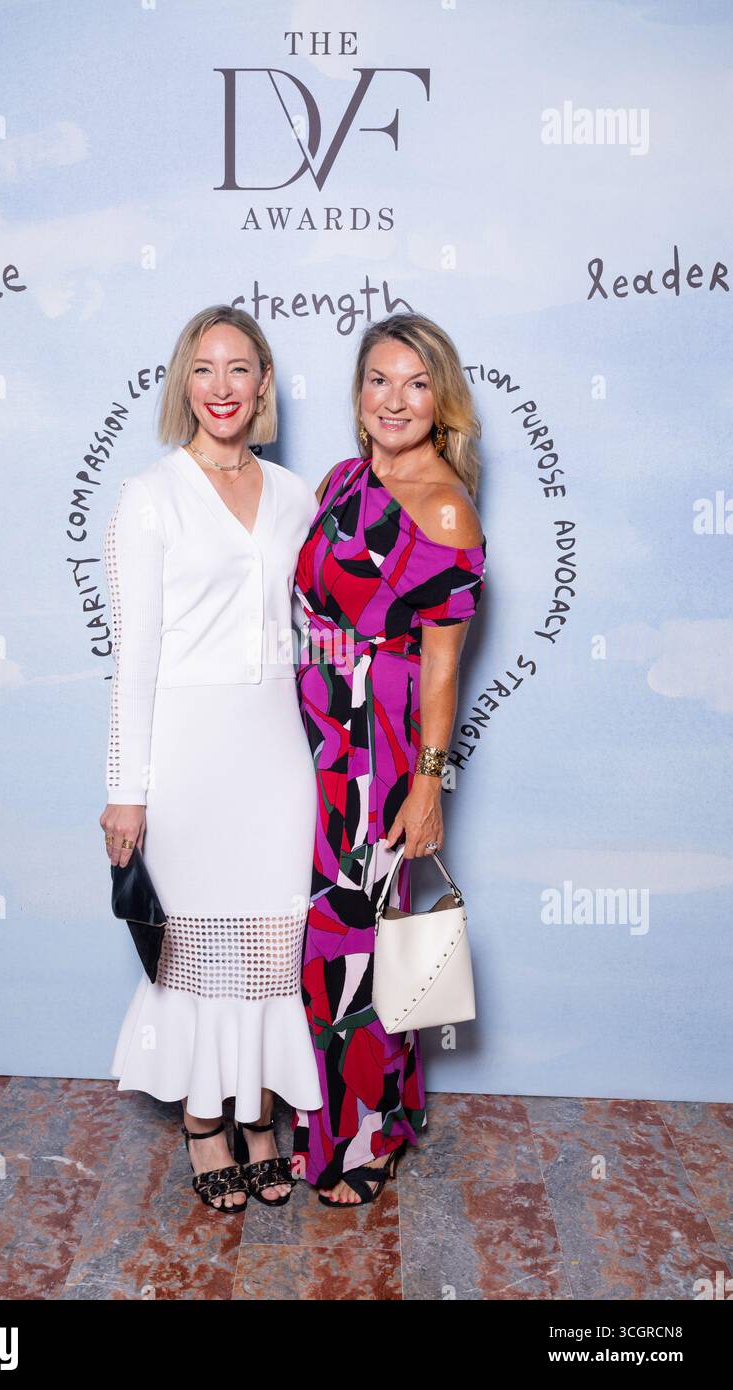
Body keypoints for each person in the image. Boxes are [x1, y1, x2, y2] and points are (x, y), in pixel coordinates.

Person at [100, 305, 323, 1212]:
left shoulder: (301, 494)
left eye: (241, 369)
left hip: (276, 755)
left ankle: (262, 1116)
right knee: (196, 951)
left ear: (264, 384)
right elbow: (134, 656)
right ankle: (204, 1124)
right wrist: (125, 788)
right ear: (182, 383)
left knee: (273, 947)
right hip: (186, 759)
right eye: (205, 368)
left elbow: (320, 634)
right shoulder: (149, 496)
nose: (222, 387)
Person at [291, 312, 488, 1206]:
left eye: (415, 383)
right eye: (378, 379)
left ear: (440, 399)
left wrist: (428, 784)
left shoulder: (444, 506)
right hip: (310, 744)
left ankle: (364, 1138)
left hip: (375, 752)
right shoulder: (342, 477)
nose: (394, 399)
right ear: (359, 393)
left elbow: (443, 666)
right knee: (326, 940)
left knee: (354, 944)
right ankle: (375, 1110)